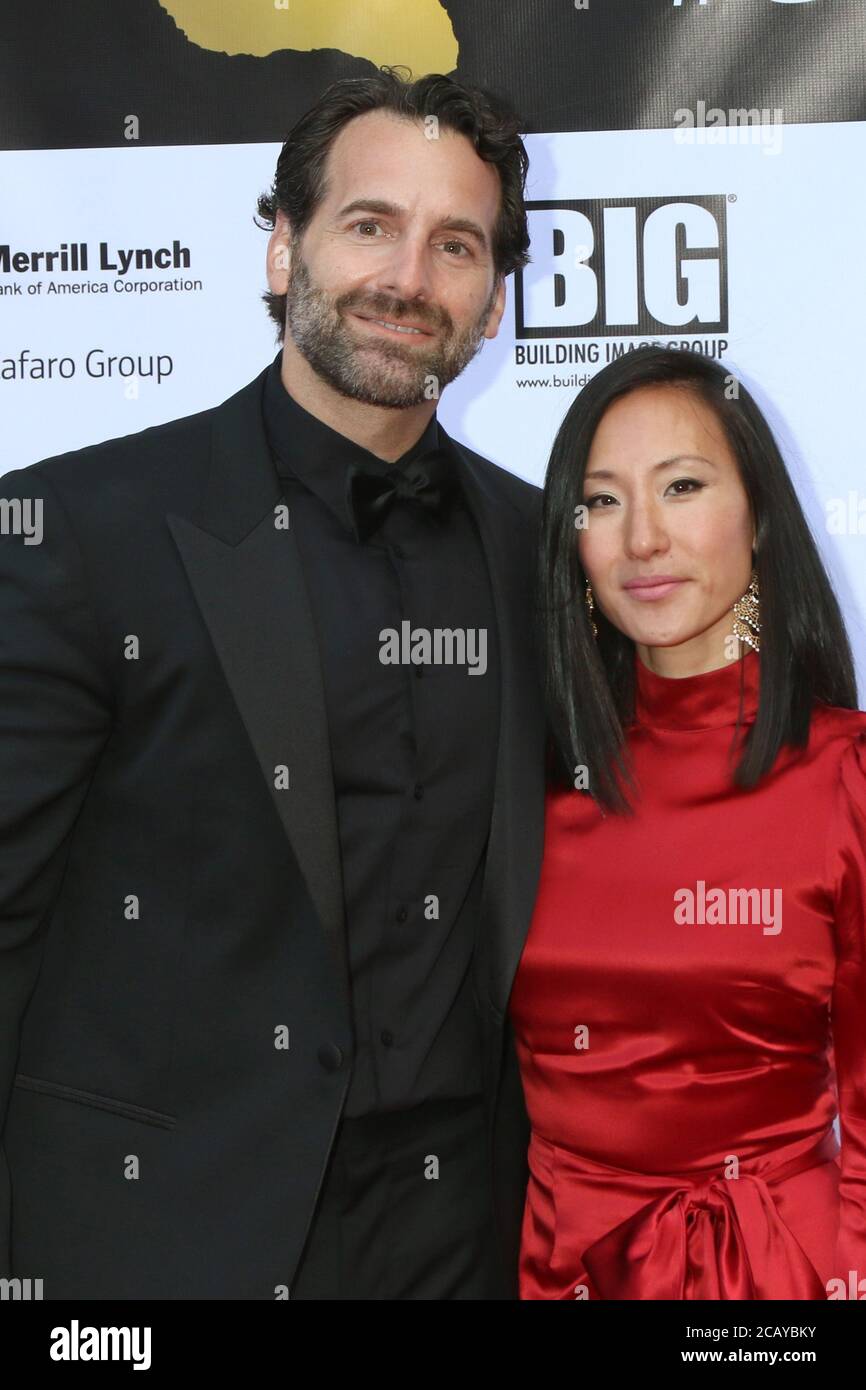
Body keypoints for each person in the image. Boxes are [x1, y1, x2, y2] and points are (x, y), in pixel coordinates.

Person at [0, 68, 546, 1300]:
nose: (407, 278)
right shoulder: (83, 530)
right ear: (281, 250)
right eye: (368, 225)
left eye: (452, 244)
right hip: (158, 1252)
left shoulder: (542, 551)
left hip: (461, 1248)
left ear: (495, 302)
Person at [510, 345, 866, 1300]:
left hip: (778, 1277)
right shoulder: (521, 776)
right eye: (603, 500)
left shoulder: (846, 774)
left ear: (758, 515)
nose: (643, 541)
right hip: (559, 1267)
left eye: (682, 486)